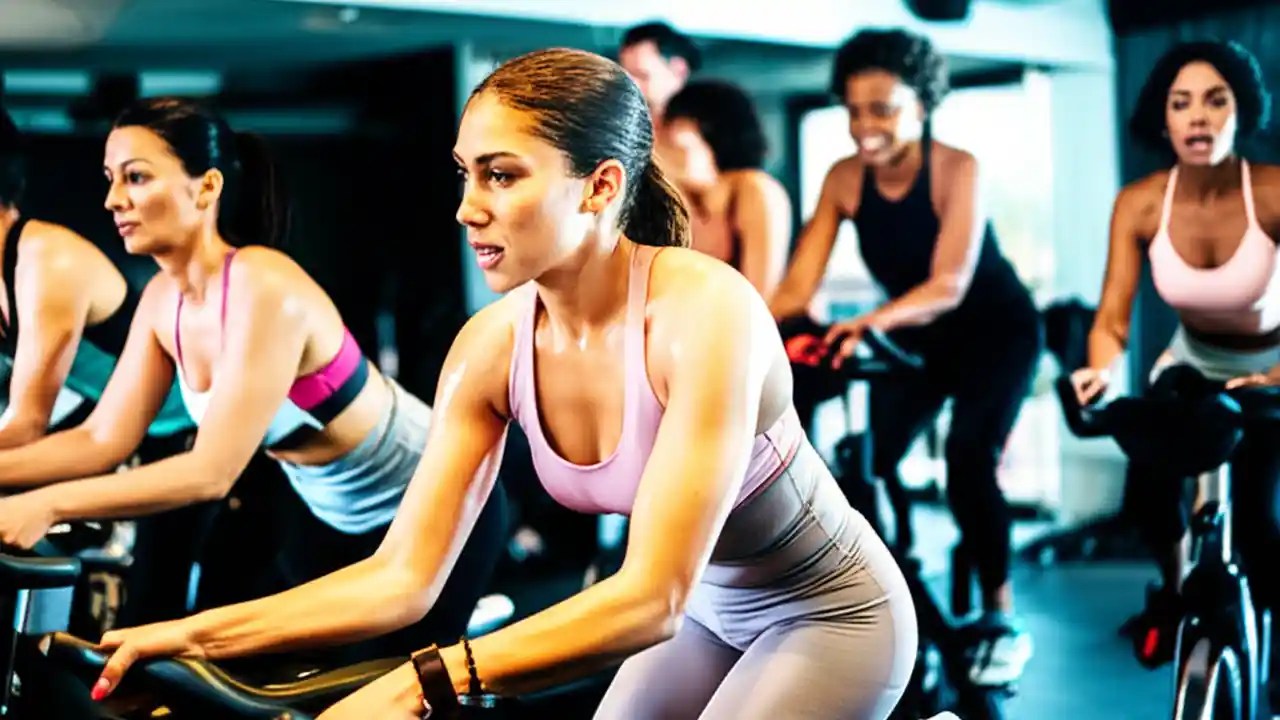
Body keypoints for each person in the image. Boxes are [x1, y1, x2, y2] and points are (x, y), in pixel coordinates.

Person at [92, 48, 918, 720]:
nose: (466, 207)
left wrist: (424, 681)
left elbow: (649, 596)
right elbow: (402, 577)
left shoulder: (706, 314)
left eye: (501, 175)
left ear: (600, 186)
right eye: (465, 174)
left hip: (830, 612)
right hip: (705, 613)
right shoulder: (489, 347)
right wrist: (187, 638)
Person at [0, 97, 508, 669]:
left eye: (136, 177)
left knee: (394, 690)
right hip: (328, 512)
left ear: (206, 187)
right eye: (110, 179)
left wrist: (47, 504)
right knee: (250, 680)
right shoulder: (163, 301)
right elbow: (101, 440)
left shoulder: (263, 286)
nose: (113, 199)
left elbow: (209, 472)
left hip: (440, 503)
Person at [768, 28, 1042, 685]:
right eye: (854, 110)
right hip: (921, 338)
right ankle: (890, 586)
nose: (865, 126)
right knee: (868, 459)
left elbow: (949, 284)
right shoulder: (844, 178)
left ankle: (1001, 617)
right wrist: (743, 328)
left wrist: (869, 321)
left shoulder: (956, 168)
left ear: (922, 105)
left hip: (996, 331)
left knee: (968, 457)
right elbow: (796, 290)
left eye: (883, 109)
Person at [1070, 39, 1280, 670]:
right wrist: (1098, 370)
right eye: (1181, 103)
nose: (1198, 117)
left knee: (1264, 527)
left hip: (1270, 371)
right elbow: (1112, 318)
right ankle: (1174, 588)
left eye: (1216, 101)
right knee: (1151, 486)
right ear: (1163, 120)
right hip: (1191, 365)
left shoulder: (1271, 191)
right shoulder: (1139, 203)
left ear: (1241, 111)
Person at [0, 106, 199, 630]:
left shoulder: (47, 258)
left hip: (184, 439)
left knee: (152, 621)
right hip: (117, 435)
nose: (116, 197)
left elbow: (25, 423)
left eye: (134, 177)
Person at [662, 79, 792, 296]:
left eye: (678, 125)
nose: (667, 136)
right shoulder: (680, 197)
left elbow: (760, 297)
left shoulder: (755, 189)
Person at [618, 21, 701, 130]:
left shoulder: (707, 128)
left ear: (679, 69)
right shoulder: (620, 123)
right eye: (625, 76)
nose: (631, 85)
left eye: (642, 76)